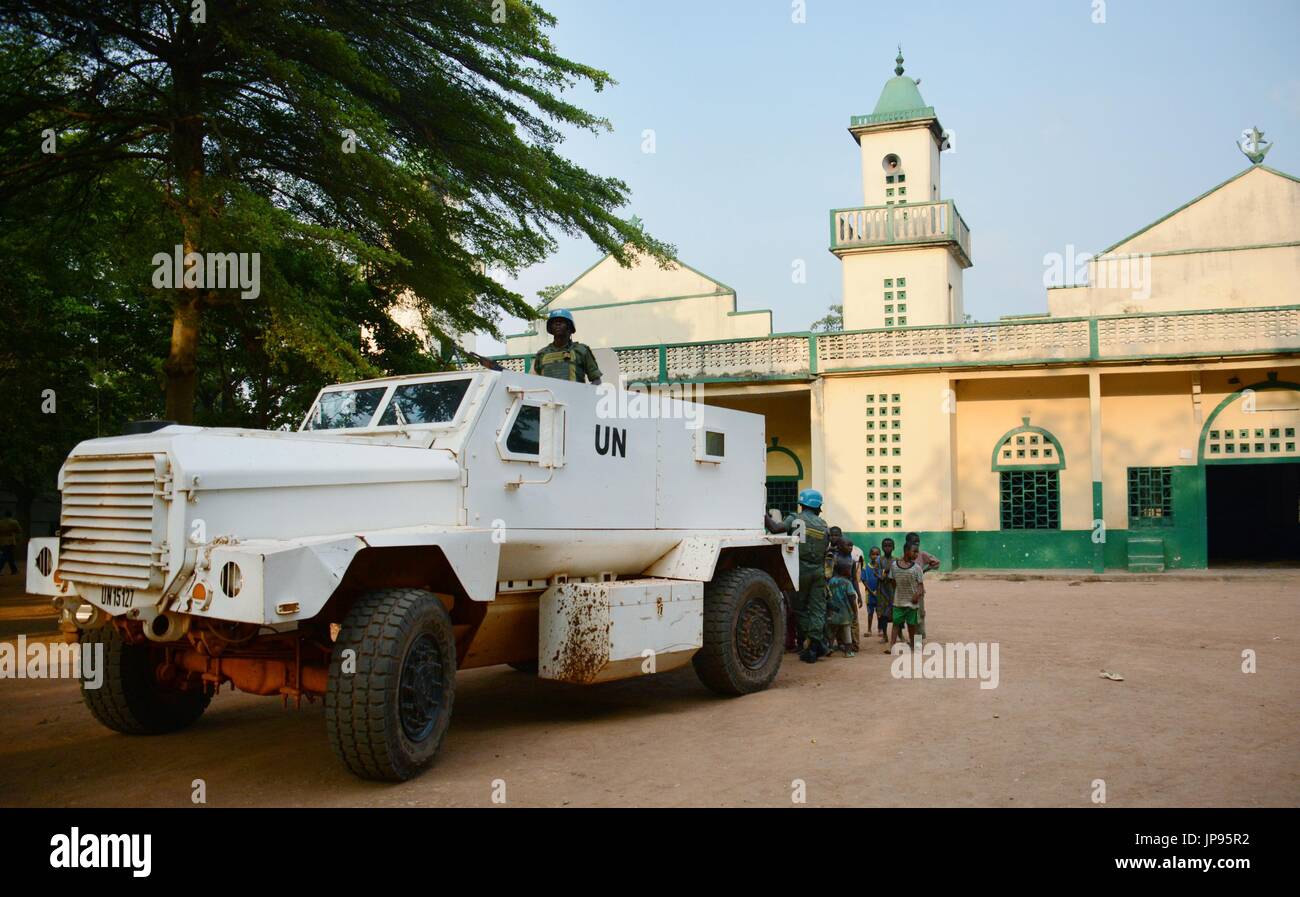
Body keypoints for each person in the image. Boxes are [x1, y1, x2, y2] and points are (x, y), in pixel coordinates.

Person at [765, 488, 831, 663]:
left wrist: (762, 512)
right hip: (818, 571)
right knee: (817, 608)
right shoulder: (824, 525)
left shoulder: (794, 518)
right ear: (818, 507)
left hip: (799, 569)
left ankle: (814, 643)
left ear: (802, 505)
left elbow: (774, 528)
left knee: (799, 608)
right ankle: (816, 643)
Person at [471, 308, 602, 385]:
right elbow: (531, 382)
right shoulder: (542, 354)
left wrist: (586, 400)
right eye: (554, 323)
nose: (557, 325)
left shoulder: (581, 350)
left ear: (569, 327)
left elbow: (596, 381)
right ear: (550, 328)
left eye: (561, 322)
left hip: (575, 403)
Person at [886, 540, 925, 653]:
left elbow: (921, 586)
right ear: (906, 551)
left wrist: (917, 594)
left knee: (912, 625)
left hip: (912, 603)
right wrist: (898, 593)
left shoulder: (917, 568)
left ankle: (914, 645)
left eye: (917, 552)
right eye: (914, 552)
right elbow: (893, 582)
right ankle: (892, 646)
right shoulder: (894, 566)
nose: (916, 554)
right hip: (898, 602)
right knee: (896, 624)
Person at [904, 532, 941, 638]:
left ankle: (919, 638)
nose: (917, 544)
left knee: (919, 614)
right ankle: (913, 638)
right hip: (907, 591)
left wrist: (924, 570)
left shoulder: (922, 554)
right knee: (910, 615)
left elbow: (936, 562)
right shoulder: (904, 557)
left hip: (919, 591)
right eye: (914, 542)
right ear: (907, 543)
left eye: (918, 542)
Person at [825, 557, 858, 658]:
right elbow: (852, 597)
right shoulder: (847, 583)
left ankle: (829, 648)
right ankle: (848, 652)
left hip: (832, 612)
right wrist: (855, 611)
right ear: (844, 570)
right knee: (846, 631)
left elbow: (827, 595)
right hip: (845, 613)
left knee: (831, 632)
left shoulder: (831, 581)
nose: (850, 570)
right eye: (848, 569)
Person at [874, 537, 897, 643]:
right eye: (885, 546)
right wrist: (884, 573)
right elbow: (876, 573)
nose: (887, 548)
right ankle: (884, 635)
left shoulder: (896, 560)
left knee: (896, 612)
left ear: (893, 547)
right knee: (883, 614)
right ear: (882, 547)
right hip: (882, 590)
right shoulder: (879, 560)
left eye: (889, 546)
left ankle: (899, 634)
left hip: (893, 589)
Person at [863, 545, 882, 637]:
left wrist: (878, 591)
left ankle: (880, 629)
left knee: (879, 613)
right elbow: (864, 581)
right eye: (873, 554)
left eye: (877, 554)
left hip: (879, 594)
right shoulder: (866, 567)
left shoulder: (881, 568)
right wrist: (871, 592)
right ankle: (869, 630)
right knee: (870, 613)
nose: (875, 556)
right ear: (870, 556)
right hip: (869, 595)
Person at [0, 510, 22, 575]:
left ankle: (14, 570)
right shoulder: (13, 522)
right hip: (10, 541)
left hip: (1, 540)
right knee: (5, 556)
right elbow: (19, 530)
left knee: (10, 556)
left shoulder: (0, 522)